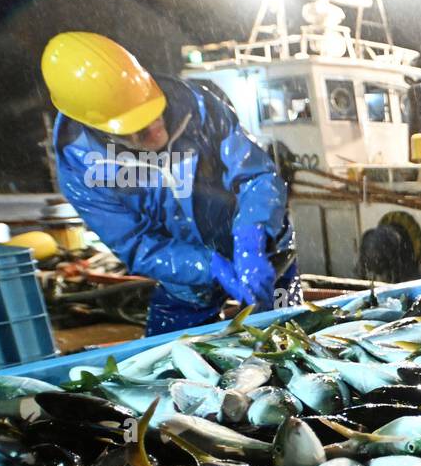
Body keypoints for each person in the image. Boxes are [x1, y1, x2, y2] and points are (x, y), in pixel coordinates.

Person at [41, 32, 300, 335]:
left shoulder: (201, 106)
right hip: (186, 280)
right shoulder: (82, 172)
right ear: (101, 131)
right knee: (168, 361)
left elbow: (256, 176)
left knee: (289, 336)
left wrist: (251, 238)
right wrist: (210, 266)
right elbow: (137, 246)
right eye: (137, 130)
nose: (156, 130)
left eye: (156, 112)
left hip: (265, 255)